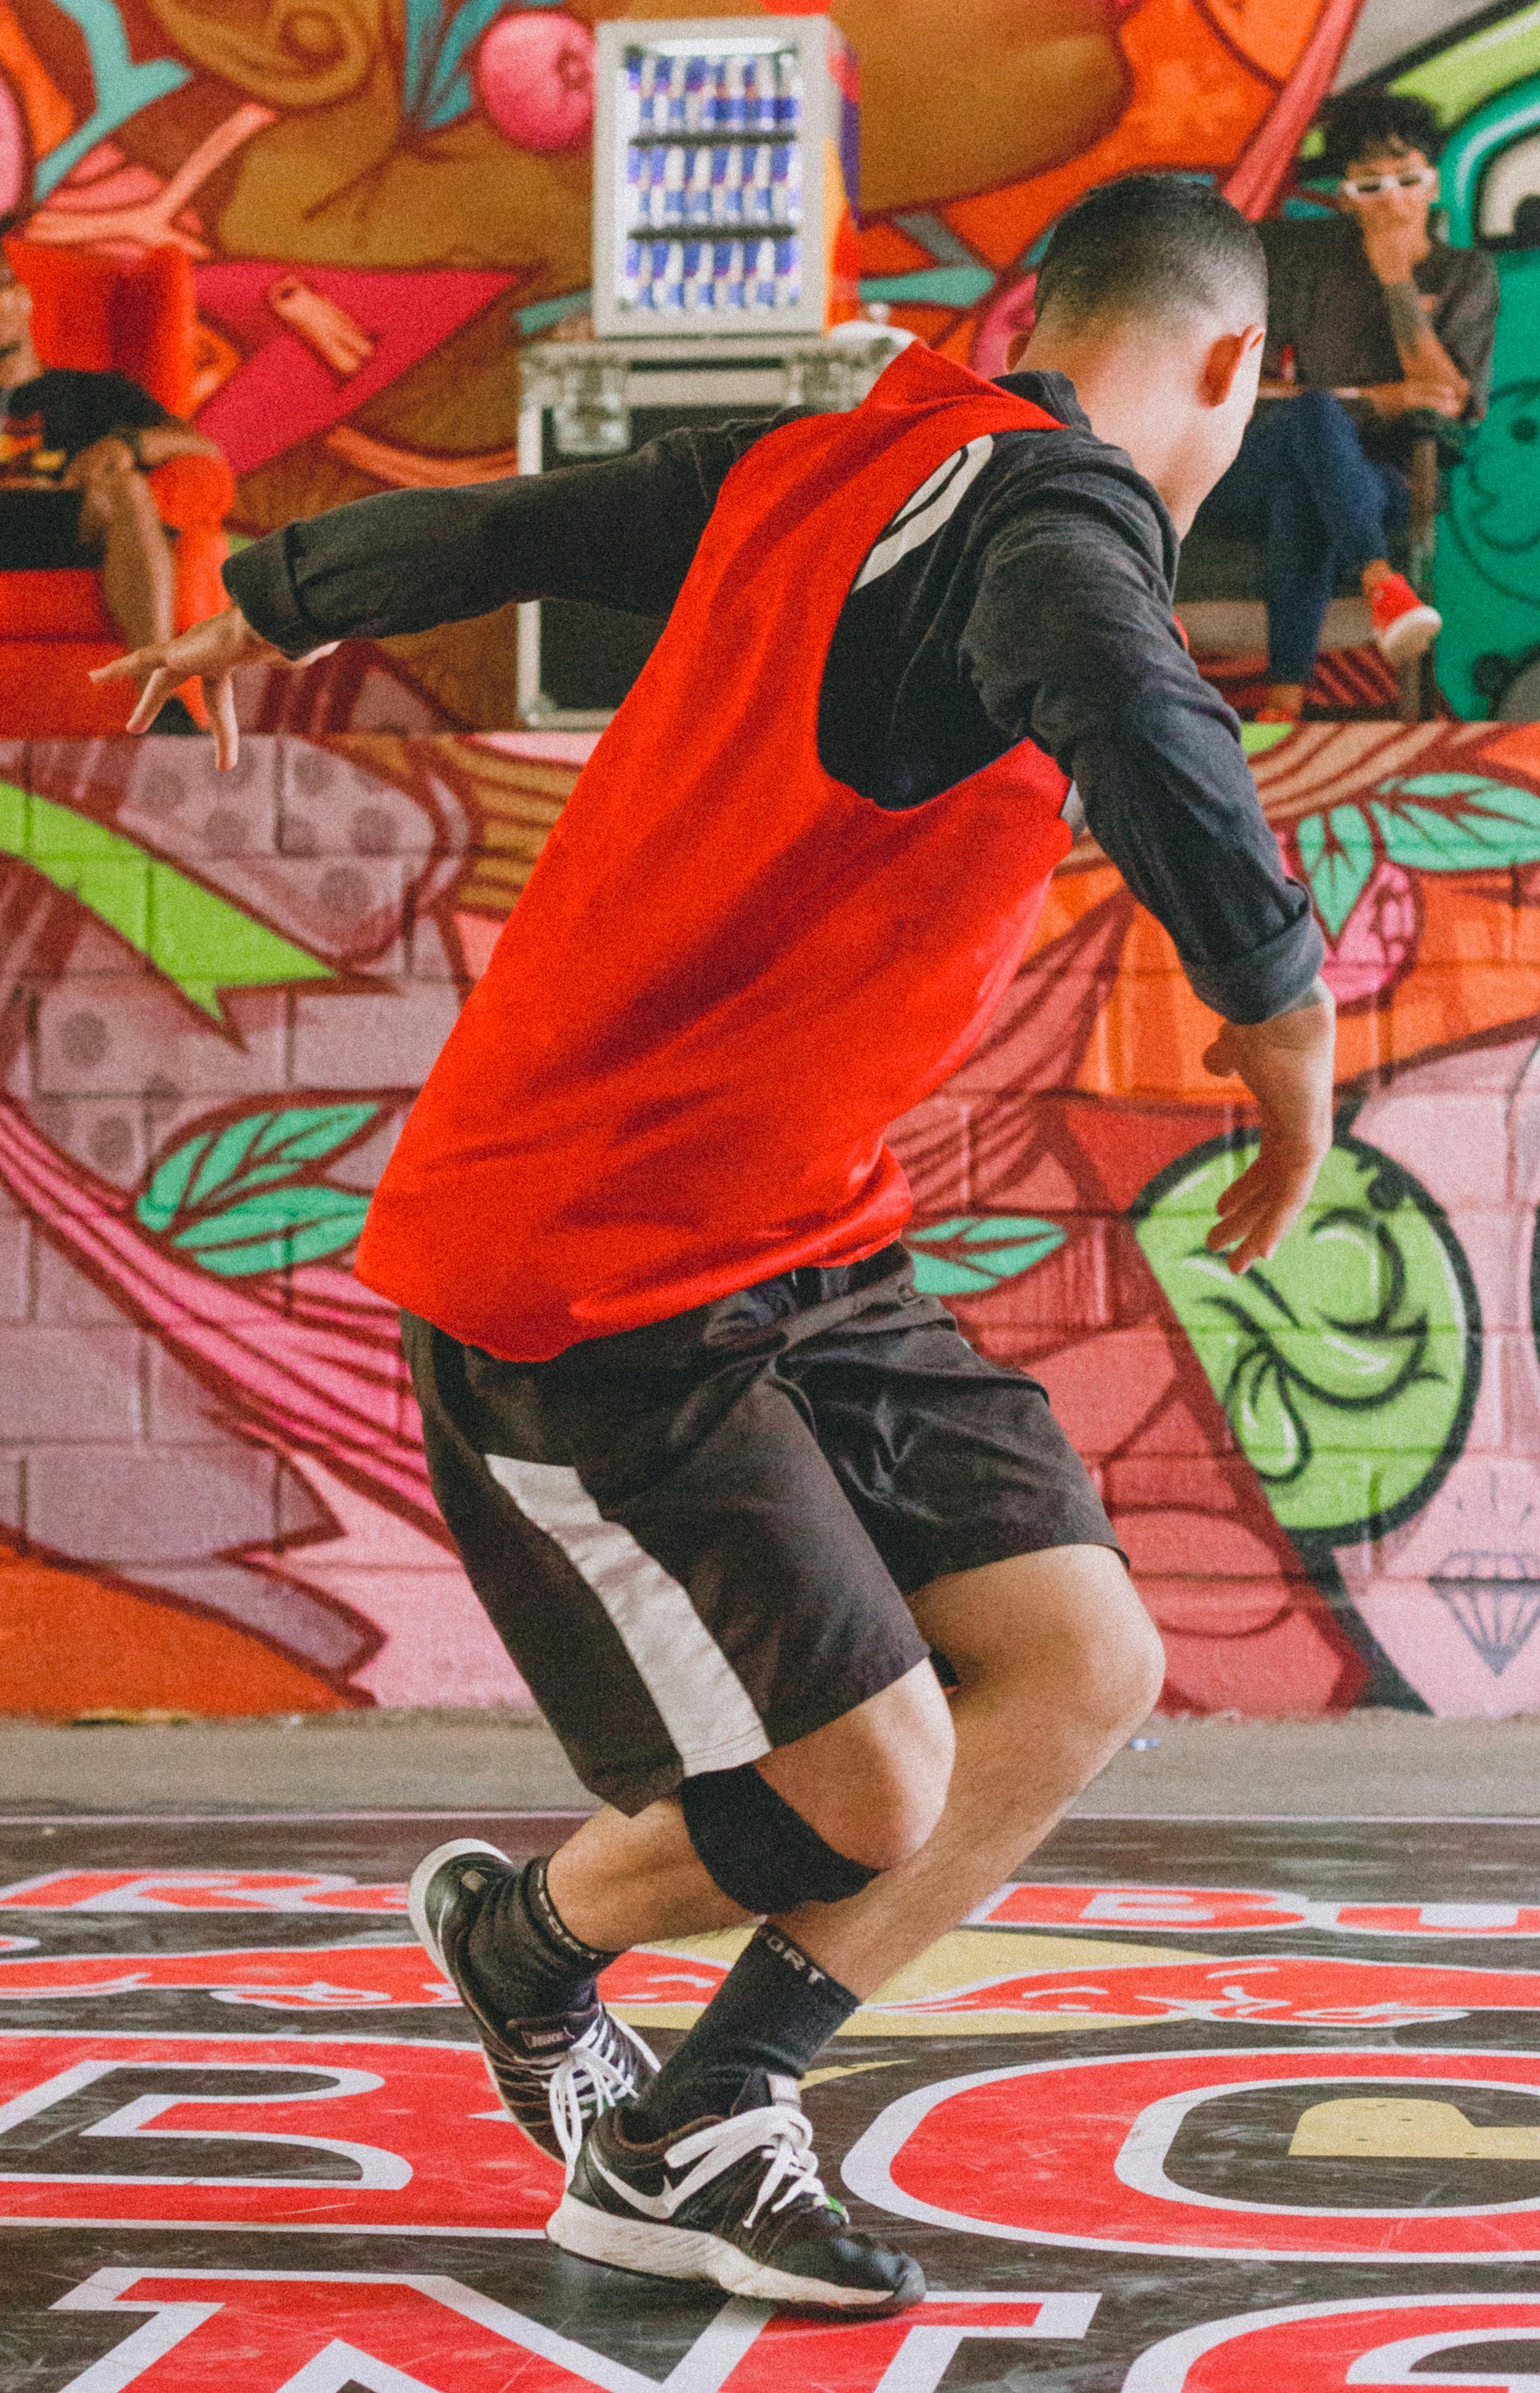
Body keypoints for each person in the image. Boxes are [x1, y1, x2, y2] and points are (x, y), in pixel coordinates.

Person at [96, 175, 1336, 2315]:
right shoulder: (1054, 520)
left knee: (1075, 1664)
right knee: (867, 1783)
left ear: (1030, 305)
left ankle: (699, 2114)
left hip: (789, 1237)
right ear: (1225, 368)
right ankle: (527, 1943)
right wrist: (1278, 1022)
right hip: (586, 1267)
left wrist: (273, 594)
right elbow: (1126, 704)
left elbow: (525, 521)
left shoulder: (838, 445)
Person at [1195, 91, 1498, 721]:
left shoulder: (1465, 274)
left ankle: (1286, 697)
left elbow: (1449, 399)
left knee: (1304, 492)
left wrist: (1395, 279)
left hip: (1383, 478)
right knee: (1313, 417)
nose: (1391, 201)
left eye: (1407, 180)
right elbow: (1242, 383)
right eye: (1369, 187)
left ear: (1434, 183)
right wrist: (1378, 399)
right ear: (1343, 192)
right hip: (1270, 451)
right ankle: (1379, 580)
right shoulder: (1302, 260)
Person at [0, 216, 226, 733]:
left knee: (126, 488)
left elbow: (202, 451)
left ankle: (158, 693)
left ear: (23, 296)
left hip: (65, 522)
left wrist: (128, 443)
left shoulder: (97, 392)